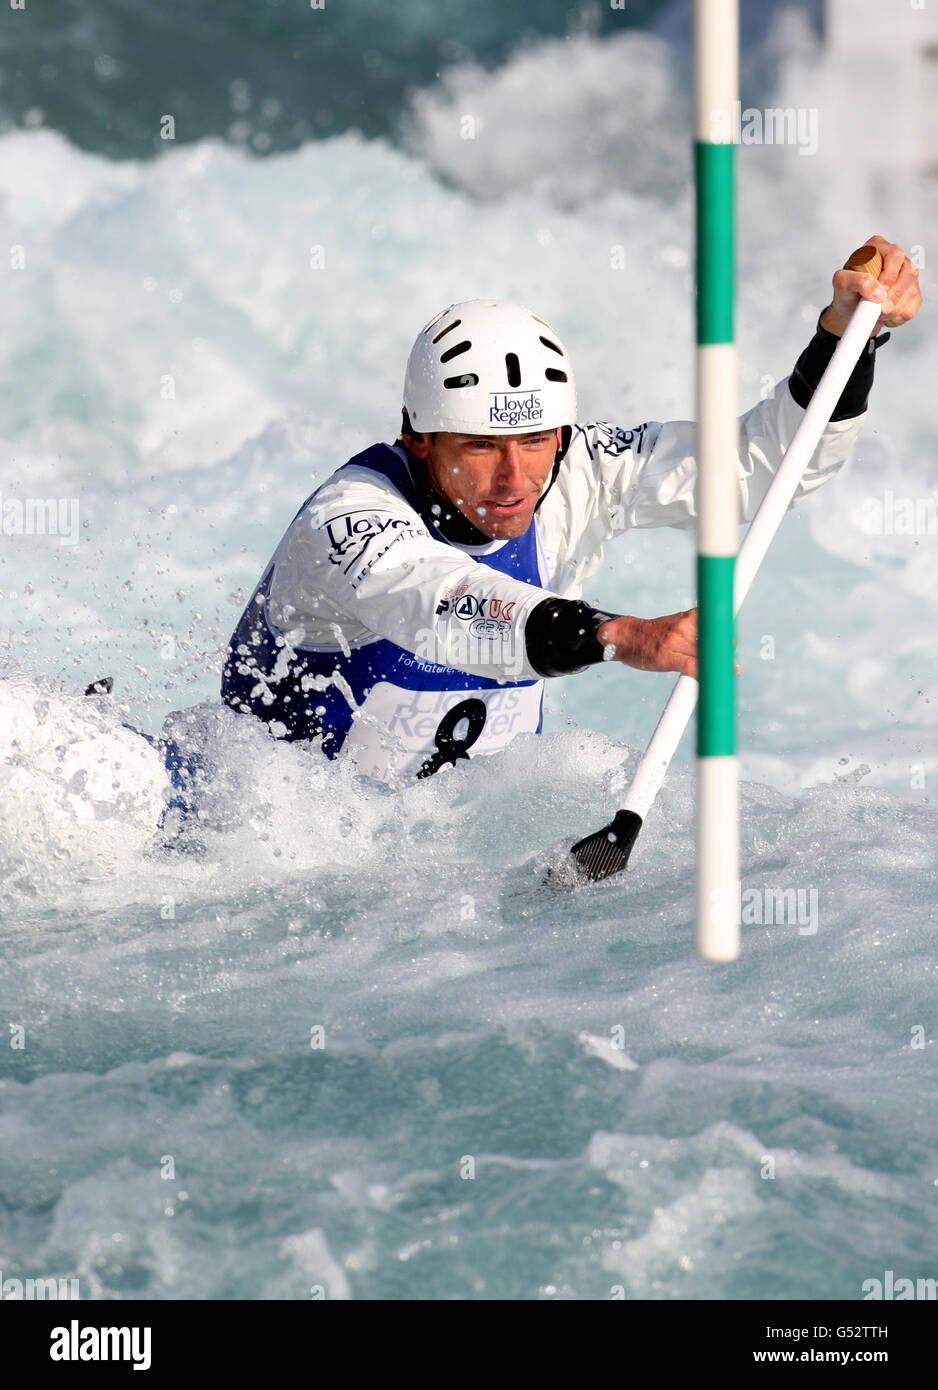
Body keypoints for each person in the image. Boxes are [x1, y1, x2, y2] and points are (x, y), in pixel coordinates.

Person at [221, 236, 921, 784]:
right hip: (260, 850)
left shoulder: (575, 471)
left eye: (534, 440)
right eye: (479, 446)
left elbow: (764, 467)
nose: (514, 477)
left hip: (439, 883)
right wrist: (616, 634)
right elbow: (445, 605)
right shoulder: (348, 517)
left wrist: (846, 334)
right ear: (420, 438)